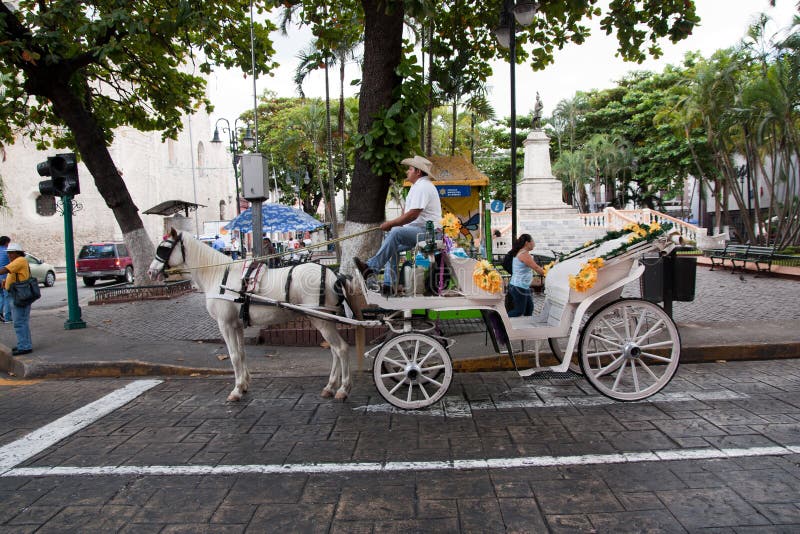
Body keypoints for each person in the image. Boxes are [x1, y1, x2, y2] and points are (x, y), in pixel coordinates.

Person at [354, 155, 442, 290]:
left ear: (418, 172)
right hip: (420, 232)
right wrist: (394, 225)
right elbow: (408, 215)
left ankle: (371, 267)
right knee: (391, 243)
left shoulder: (423, 186)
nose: (407, 171)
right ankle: (390, 285)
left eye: (410, 169)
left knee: (394, 233)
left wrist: (391, 224)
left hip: (429, 234)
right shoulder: (417, 186)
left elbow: (412, 215)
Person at [0, 243, 33, 354]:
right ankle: (23, 343)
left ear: (17, 253)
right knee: (21, 321)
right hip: (16, 294)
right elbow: (12, 275)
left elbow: (5, 270)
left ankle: (24, 346)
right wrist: (5, 283)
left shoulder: (20, 261)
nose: (9, 255)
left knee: (20, 321)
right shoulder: (16, 262)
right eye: (8, 253)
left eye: (11, 253)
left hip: (19, 295)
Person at [506, 234, 545, 317]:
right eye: (533, 241)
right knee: (519, 311)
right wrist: (548, 274)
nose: (534, 243)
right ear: (527, 243)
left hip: (522, 286)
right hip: (519, 287)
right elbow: (536, 267)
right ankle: (500, 321)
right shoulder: (524, 254)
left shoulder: (522, 252)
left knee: (529, 308)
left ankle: (525, 326)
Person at [0, 236, 10, 323]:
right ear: (6, 242)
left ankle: (0, 313)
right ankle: (8, 318)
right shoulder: (7, 252)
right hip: (4, 278)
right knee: (7, 296)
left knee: (1, 296)